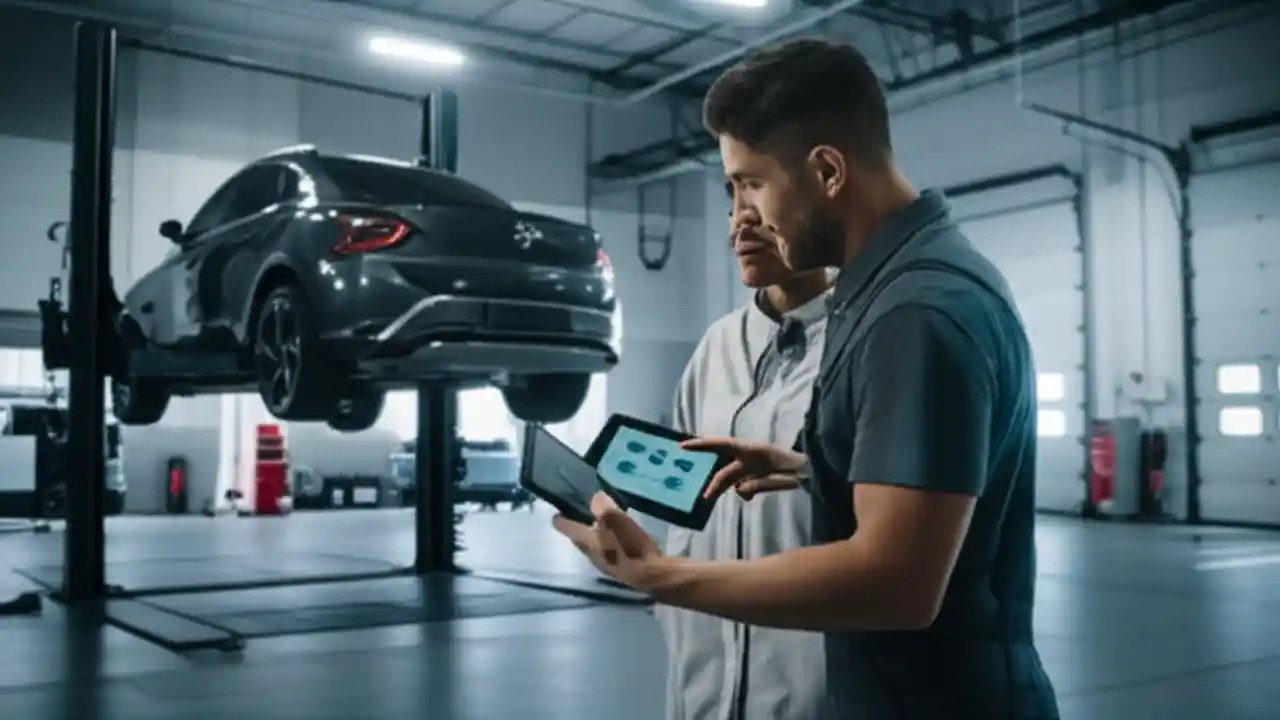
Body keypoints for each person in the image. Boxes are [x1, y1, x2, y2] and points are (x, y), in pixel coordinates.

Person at [552, 37, 1060, 720]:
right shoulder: (890, 289)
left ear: (826, 171)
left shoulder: (914, 312)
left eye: (753, 183)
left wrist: (661, 575)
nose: (743, 216)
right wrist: (809, 465)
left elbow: (896, 583)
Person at [658, 211, 832, 719]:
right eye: (732, 193)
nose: (740, 220)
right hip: (705, 685)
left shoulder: (860, 337)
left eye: (756, 187)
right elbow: (682, 512)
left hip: (811, 692)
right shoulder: (718, 343)